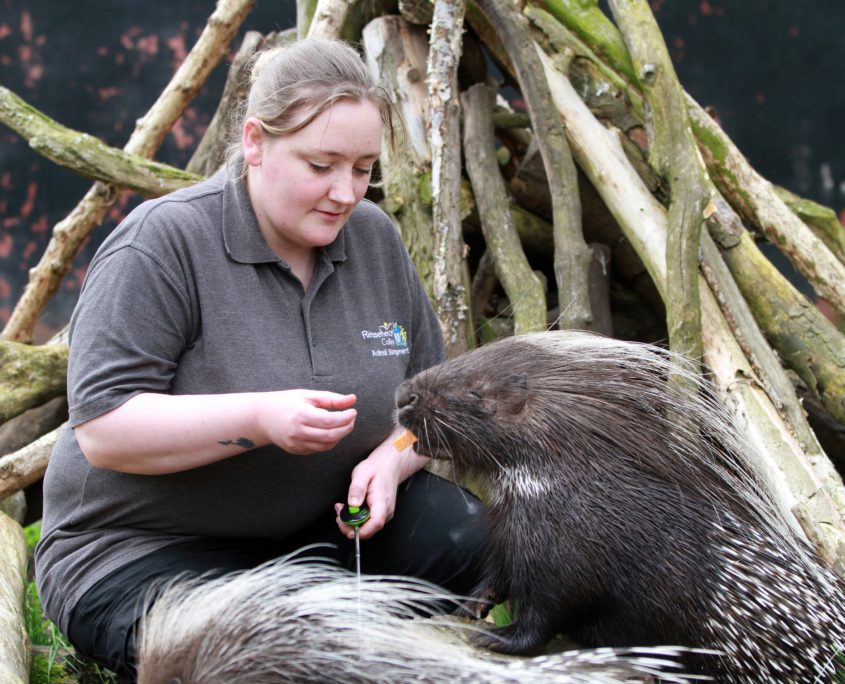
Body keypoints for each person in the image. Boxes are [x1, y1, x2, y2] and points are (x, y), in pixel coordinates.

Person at [35, 39, 487, 683]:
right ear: (254, 142)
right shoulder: (161, 245)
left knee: (460, 534)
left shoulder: (376, 242)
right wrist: (259, 418)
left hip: (315, 539)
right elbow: (105, 432)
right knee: (260, 657)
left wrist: (392, 460)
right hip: (141, 552)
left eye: (362, 168)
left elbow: (430, 408)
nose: (344, 192)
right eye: (321, 164)